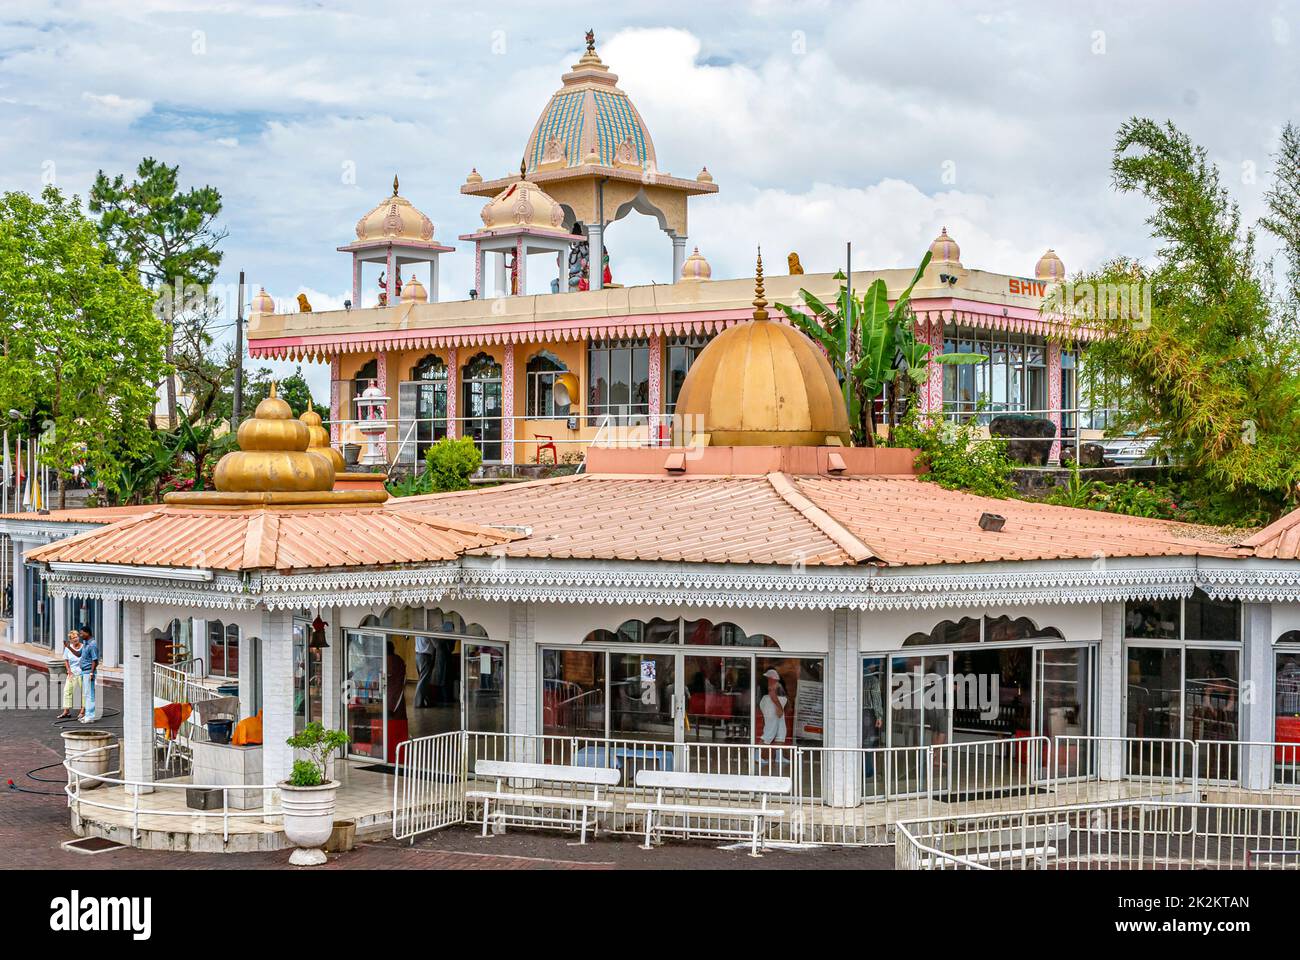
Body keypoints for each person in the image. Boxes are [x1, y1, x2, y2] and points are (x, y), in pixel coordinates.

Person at [758, 668, 788, 745]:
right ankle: (757, 755)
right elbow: (773, 695)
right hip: (774, 706)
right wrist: (780, 707)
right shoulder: (774, 685)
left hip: (774, 705)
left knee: (781, 731)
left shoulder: (773, 684)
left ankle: (779, 756)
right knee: (769, 732)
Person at [77, 626, 100, 723]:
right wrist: (68, 647)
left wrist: (91, 672)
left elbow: (95, 660)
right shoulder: (86, 643)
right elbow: (79, 654)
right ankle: (87, 715)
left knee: (90, 694)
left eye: (82, 633)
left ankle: (90, 716)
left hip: (88, 672)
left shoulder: (92, 645)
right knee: (86, 694)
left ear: (88, 633)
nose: (80, 635)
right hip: (84, 672)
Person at [57, 630, 82, 720]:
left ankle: (82, 711)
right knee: (67, 691)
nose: (75, 639)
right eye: (73, 638)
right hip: (72, 673)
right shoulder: (68, 649)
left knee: (83, 692)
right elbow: (66, 660)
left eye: (76, 637)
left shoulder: (83, 647)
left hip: (81, 673)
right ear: (70, 640)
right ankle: (66, 711)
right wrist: (69, 671)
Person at [414, 634, 435, 708]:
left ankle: (425, 701)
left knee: (423, 680)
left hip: (417, 655)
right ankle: (417, 703)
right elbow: (435, 643)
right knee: (423, 681)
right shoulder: (427, 631)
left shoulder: (418, 631)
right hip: (425, 656)